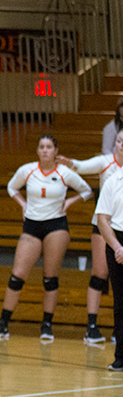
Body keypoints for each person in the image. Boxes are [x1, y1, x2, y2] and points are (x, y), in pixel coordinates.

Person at [0, 135, 92, 342]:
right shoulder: (27, 170)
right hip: (32, 225)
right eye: (42, 147)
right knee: (17, 275)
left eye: (49, 147)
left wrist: (69, 202)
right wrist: (23, 204)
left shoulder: (64, 173)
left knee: (50, 277)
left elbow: (87, 191)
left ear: (56, 151)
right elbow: (11, 187)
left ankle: (46, 325)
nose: (45, 150)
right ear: (37, 151)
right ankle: (3, 323)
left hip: (56, 225)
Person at [56, 128, 123, 345]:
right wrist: (70, 163)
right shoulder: (106, 162)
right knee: (100, 273)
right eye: (119, 141)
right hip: (104, 225)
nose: (122, 145)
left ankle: (119, 330)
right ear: (115, 144)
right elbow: (82, 166)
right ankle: (92, 327)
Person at [94, 134, 123, 371]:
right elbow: (102, 219)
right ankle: (121, 356)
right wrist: (117, 247)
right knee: (120, 302)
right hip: (117, 242)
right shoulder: (113, 181)